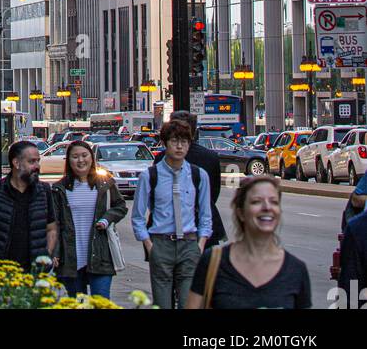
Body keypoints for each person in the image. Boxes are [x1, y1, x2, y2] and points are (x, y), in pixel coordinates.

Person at [186, 176, 311, 310]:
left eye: (274, 202)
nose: (267, 207)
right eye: (256, 201)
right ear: (241, 213)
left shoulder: (296, 270)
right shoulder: (213, 262)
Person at [132, 118, 212, 310]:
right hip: (161, 243)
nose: (179, 146)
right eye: (174, 141)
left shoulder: (198, 175)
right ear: (165, 143)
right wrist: (150, 246)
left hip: (189, 244)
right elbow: (137, 216)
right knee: (162, 303)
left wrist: (200, 244)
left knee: (189, 303)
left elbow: (206, 215)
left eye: (184, 142)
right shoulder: (150, 175)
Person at [50, 139, 127, 299]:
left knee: (101, 301)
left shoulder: (105, 183)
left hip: (100, 254)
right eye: (75, 156)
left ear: (91, 158)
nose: (80, 160)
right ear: (68, 160)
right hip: (70, 257)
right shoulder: (60, 188)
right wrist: (55, 252)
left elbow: (120, 206)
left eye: (84, 155)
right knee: (77, 302)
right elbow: (55, 224)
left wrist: (106, 219)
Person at [0, 141, 58, 269]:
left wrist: (46, 256)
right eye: (31, 161)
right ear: (16, 163)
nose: (37, 166)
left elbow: (51, 228)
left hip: (33, 271)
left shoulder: (44, 190)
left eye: (38, 161)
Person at [170, 110, 226, 245]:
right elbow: (213, 193)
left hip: (171, 229)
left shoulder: (162, 158)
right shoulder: (210, 156)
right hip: (203, 228)